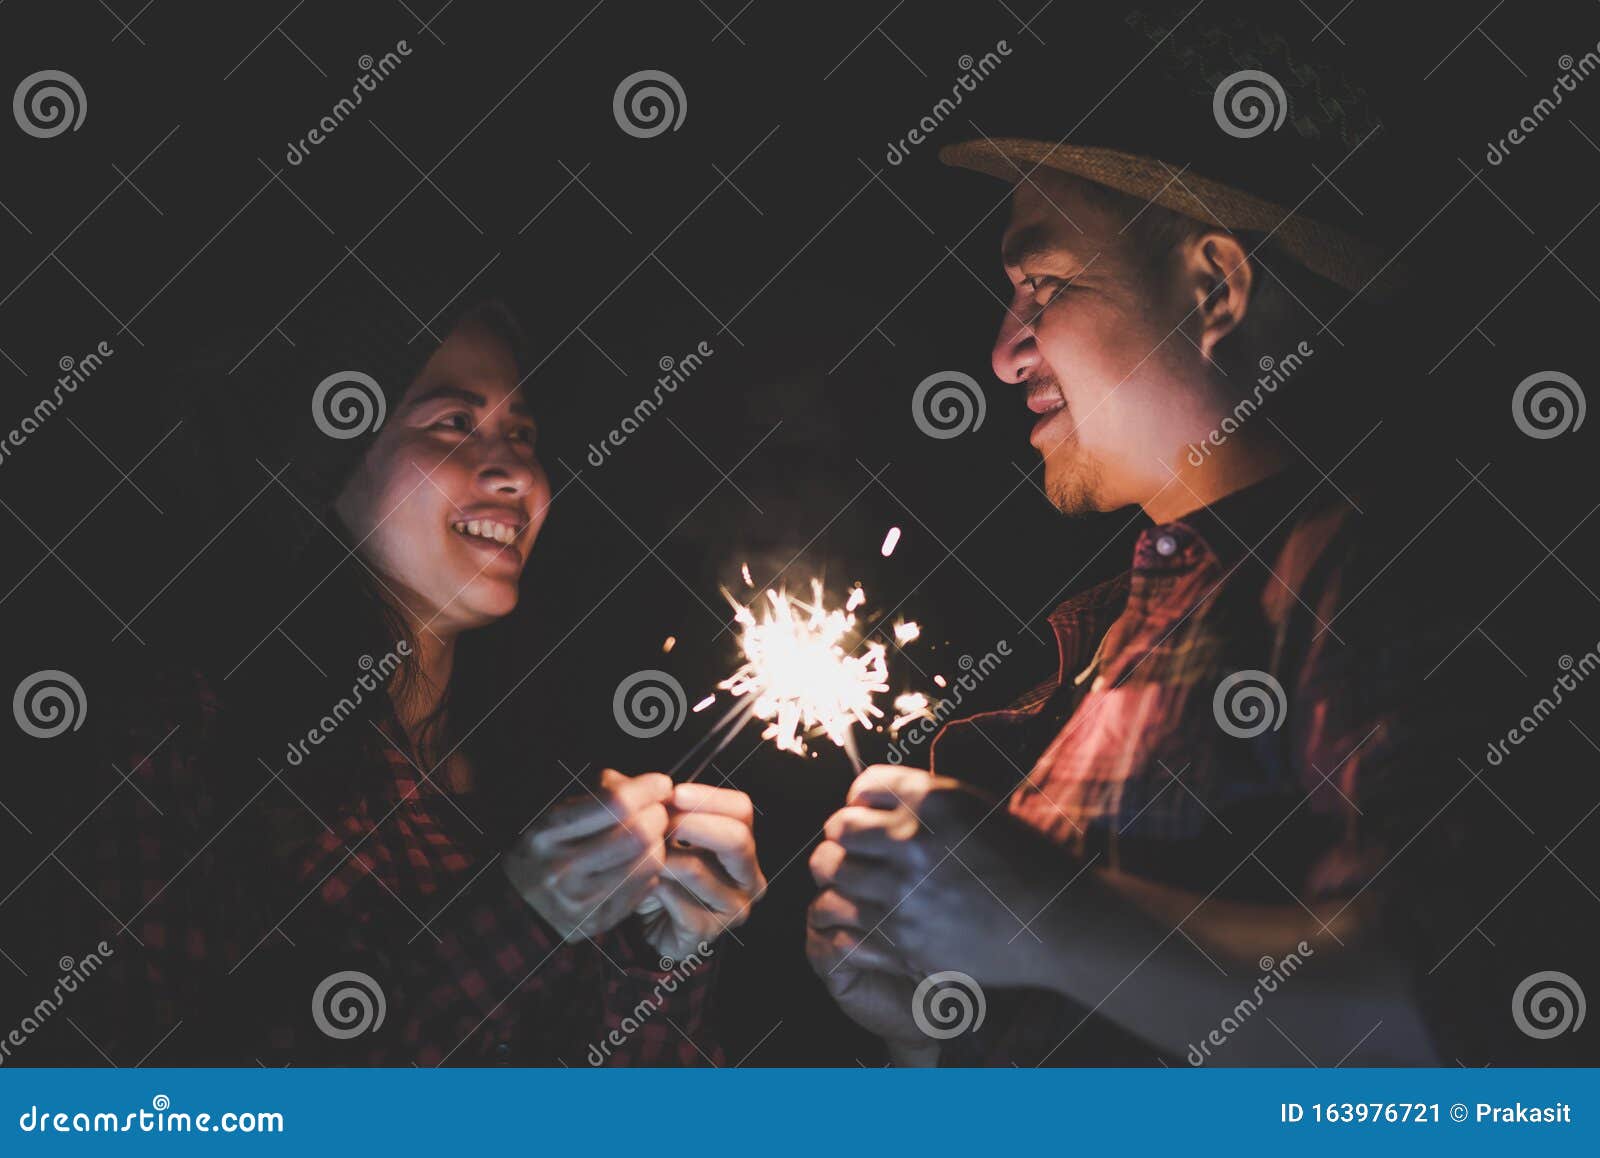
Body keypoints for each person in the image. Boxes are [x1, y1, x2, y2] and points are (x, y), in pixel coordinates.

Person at [805, 8, 1562, 1066]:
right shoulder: (1103, 639)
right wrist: (933, 1027)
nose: (1002, 354)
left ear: (1212, 288)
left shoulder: (1374, 569)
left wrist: (1043, 921)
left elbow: (1484, 1016)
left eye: (1043, 287)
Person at [72, 294, 764, 1065]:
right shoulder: (187, 742)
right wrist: (522, 923)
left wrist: (665, 955)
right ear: (325, 466)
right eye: (452, 424)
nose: (514, 470)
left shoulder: (553, 783)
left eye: (522, 433)